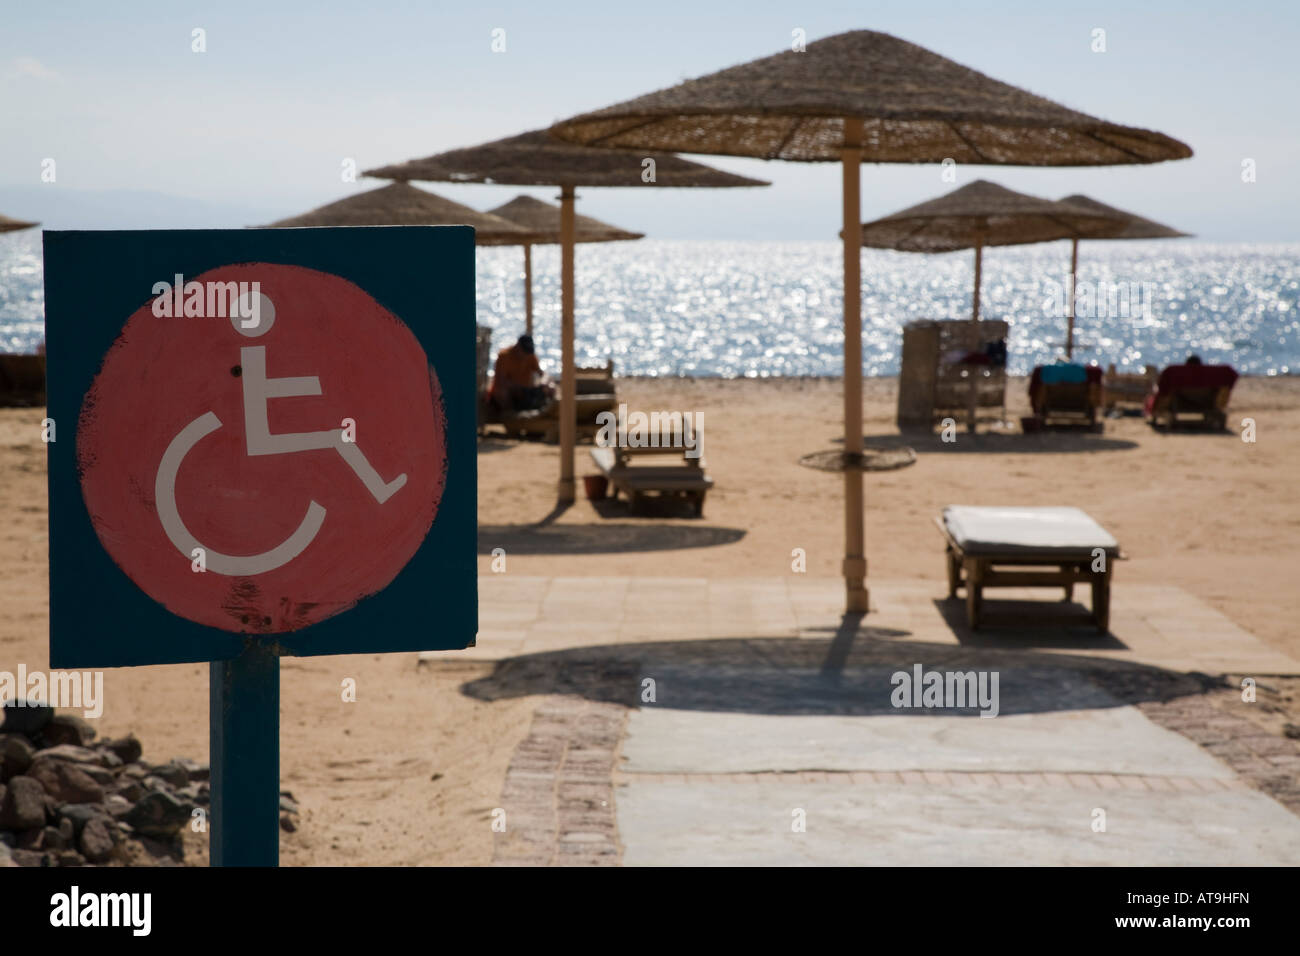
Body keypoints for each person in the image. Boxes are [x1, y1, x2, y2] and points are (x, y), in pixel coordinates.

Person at [489, 335, 552, 413]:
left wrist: (543, 381)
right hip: (511, 393)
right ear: (518, 346)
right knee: (502, 392)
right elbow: (501, 381)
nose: (526, 355)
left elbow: (543, 374)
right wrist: (517, 388)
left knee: (550, 387)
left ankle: (543, 412)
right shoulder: (504, 356)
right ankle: (509, 415)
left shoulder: (530, 355)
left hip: (525, 391)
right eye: (524, 351)